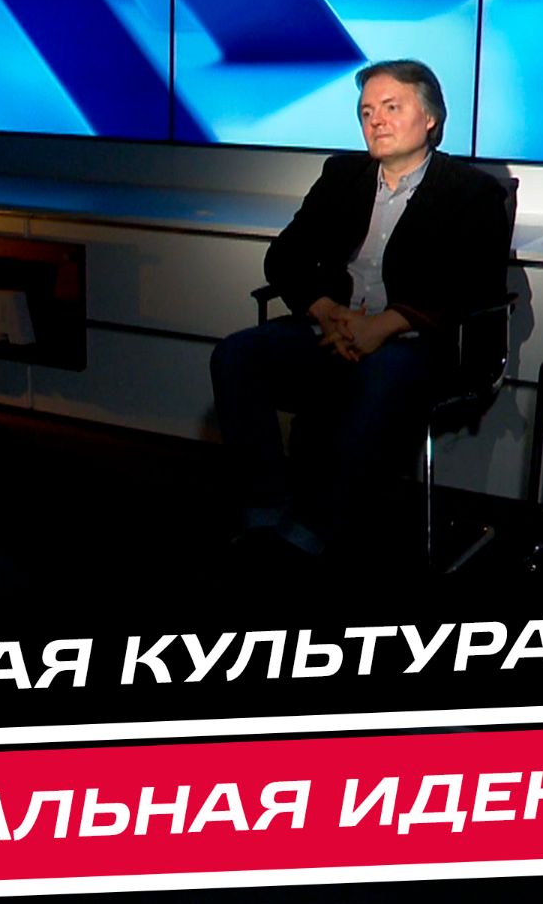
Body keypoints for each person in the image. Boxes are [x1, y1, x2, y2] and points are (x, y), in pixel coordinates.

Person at [210, 60, 512, 561]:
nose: (376, 121)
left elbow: (471, 284)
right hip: (333, 327)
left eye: (391, 108)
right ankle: (265, 508)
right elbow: (284, 257)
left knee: (383, 371)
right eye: (367, 111)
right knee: (235, 356)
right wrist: (326, 310)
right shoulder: (342, 175)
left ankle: (311, 528)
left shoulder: (471, 191)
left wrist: (384, 326)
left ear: (430, 118)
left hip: (418, 342)